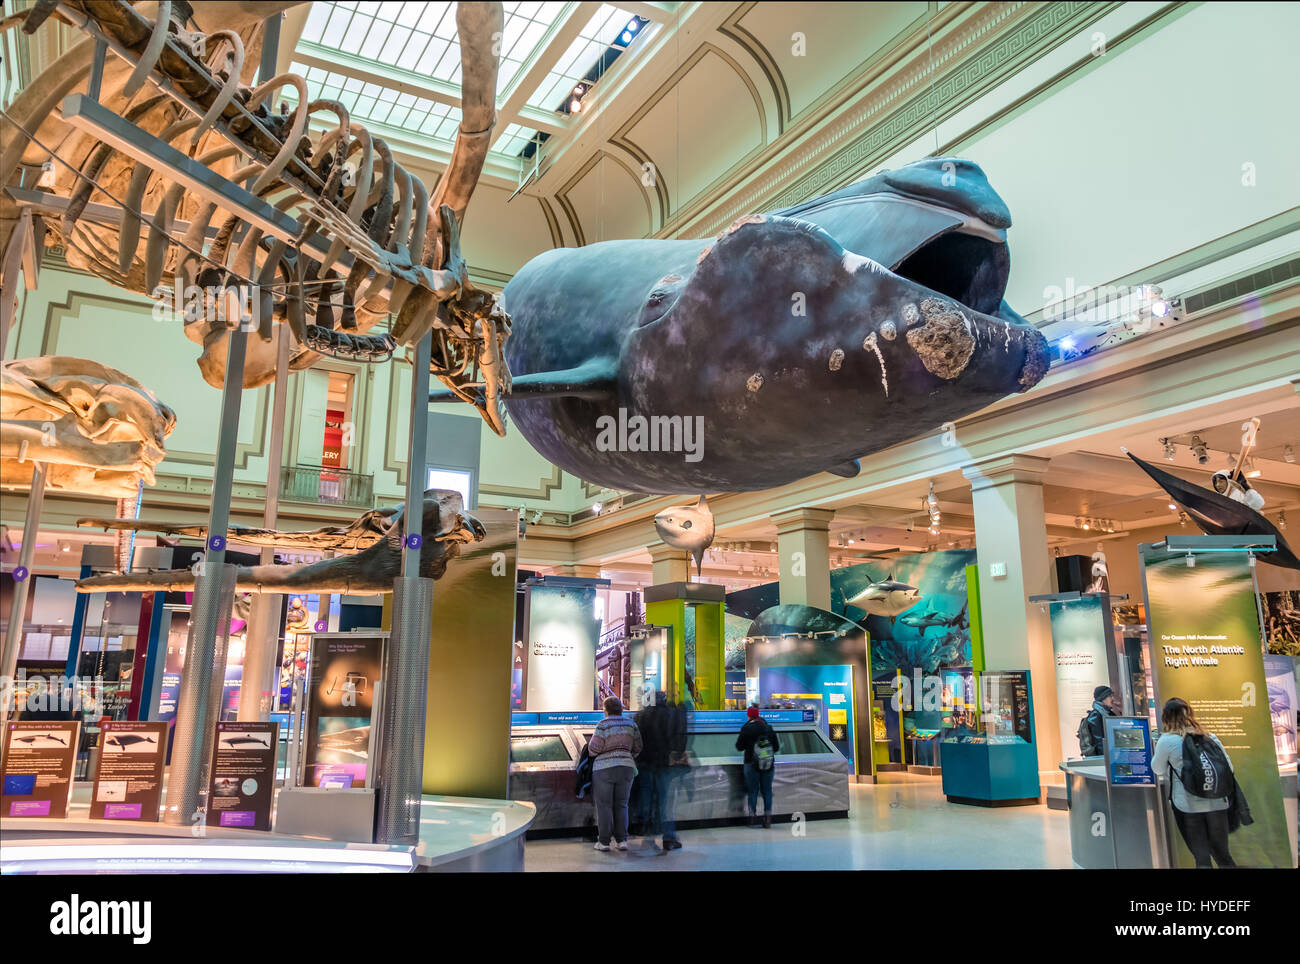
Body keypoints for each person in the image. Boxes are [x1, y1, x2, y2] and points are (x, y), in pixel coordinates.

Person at [1151, 697, 1236, 869]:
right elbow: (1230, 768)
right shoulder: (1210, 737)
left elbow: (1157, 769)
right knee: (1223, 856)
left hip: (1188, 806)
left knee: (1202, 858)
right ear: (1190, 714)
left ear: (1165, 718)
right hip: (1217, 803)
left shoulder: (1167, 741)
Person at [587, 696, 642, 852]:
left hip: (604, 769)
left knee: (604, 806)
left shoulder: (603, 725)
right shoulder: (631, 724)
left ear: (606, 710)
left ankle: (604, 842)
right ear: (621, 709)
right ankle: (622, 840)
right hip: (626, 768)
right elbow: (638, 746)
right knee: (622, 804)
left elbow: (593, 749)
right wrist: (625, 755)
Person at [736, 705, 780, 828]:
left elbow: (739, 746)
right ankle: (767, 819)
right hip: (768, 764)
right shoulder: (768, 728)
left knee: (753, 790)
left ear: (749, 715)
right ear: (759, 714)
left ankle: (752, 817)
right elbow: (776, 747)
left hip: (751, 763)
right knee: (767, 791)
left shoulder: (746, 728)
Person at [1077, 685, 1120, 756]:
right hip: (1103, 759)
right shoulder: (1096, 716)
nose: (1113, 699)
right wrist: (1106, 760)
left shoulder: (1107, 713)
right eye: (1110, 696)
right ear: (1103, 698)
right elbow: (1099, 742)